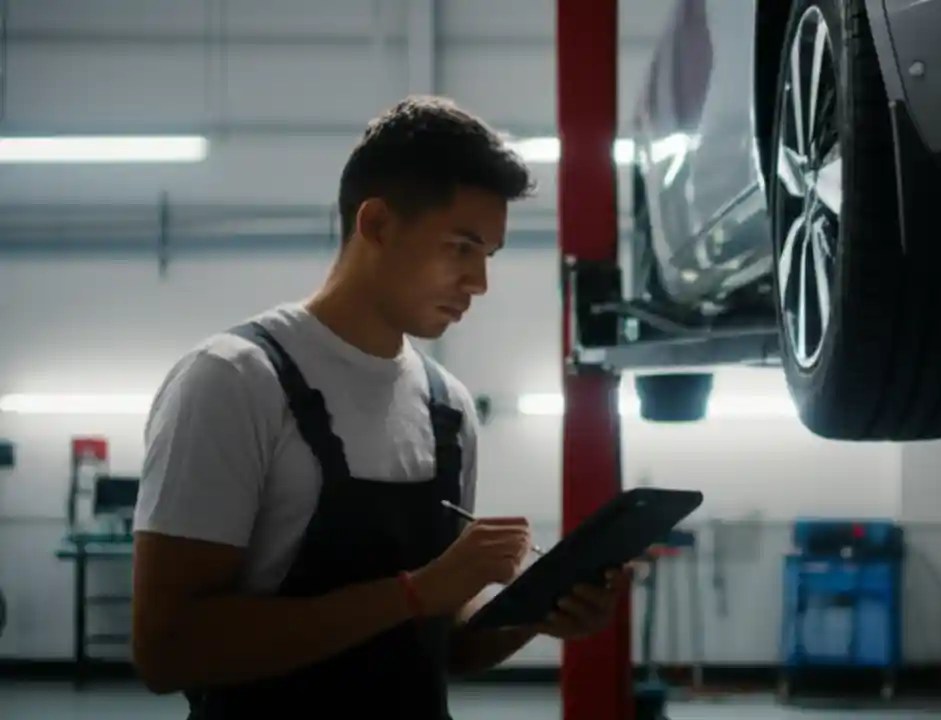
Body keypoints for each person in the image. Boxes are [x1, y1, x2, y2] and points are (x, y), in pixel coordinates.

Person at [131, 95, 630, 719]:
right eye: (461, 247)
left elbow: (443, 646)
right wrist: (415, 592)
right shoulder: (233, 380)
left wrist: (537, 611)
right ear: (377, 225)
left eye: (488, 256)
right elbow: (166, 650)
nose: (479, 282)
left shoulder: (447, 408)